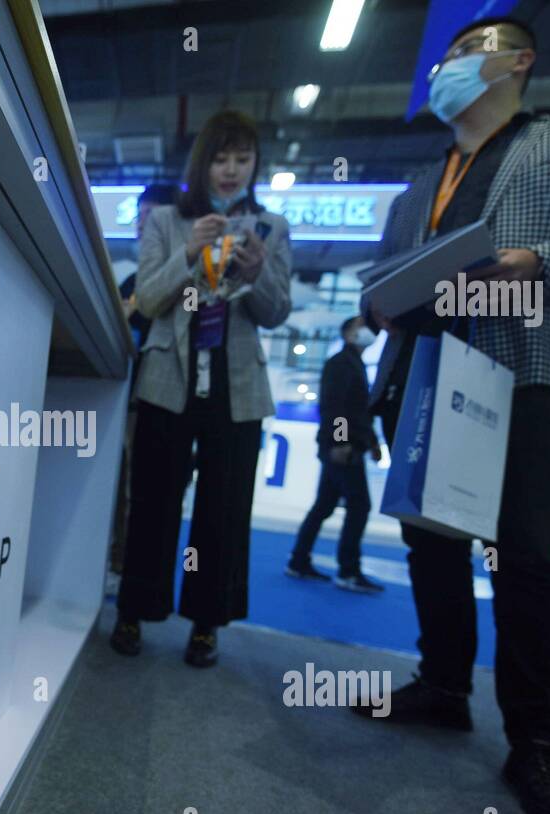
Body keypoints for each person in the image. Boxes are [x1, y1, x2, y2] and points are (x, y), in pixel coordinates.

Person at [353, 16, 550, 814]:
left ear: (519, 60)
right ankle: (443, 686)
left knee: (527, 553)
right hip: (422, 374)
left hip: (523, 366)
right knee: (431, 538)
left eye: (469, 50)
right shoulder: (418, 187)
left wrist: (541, 260)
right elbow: (379, 282)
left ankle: (540, 741)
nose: (450, 64)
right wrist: (373, 301)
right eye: (448, 54)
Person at [110, 109, 292, 667]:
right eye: (220, 158)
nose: (231, 169)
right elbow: (149, 299)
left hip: (237, 388)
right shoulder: (166, 220)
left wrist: (259, 271)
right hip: (169, 379)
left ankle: (206, 624)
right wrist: (190, 251)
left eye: (242, 159)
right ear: (202, 162)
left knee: (225, 509)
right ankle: (134, 610)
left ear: (255, 164)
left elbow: (277, 312)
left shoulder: (271, 227)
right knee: (154, 502)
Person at [110, 184, 184, 578]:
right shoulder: (130, 282)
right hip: (124, 403)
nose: (143, 224)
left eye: (152, 216)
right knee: (121, 488)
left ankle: (140, 571)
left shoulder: (186, 280)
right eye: (140, 216)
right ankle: (118, 560)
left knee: (152, 493)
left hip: (162, 404)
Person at [286, 316, 383, 592]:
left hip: (346, 445)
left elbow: (359, 410)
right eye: (361, 326)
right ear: (348, 333)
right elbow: (334, 408)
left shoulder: (355, 364)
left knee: (324, 505)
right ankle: (348, 570)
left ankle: (298, 560)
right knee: (358, 506)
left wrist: (373, 443)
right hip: (343, 449)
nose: (368, 331)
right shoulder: (341, 363)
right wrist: (340, 443)